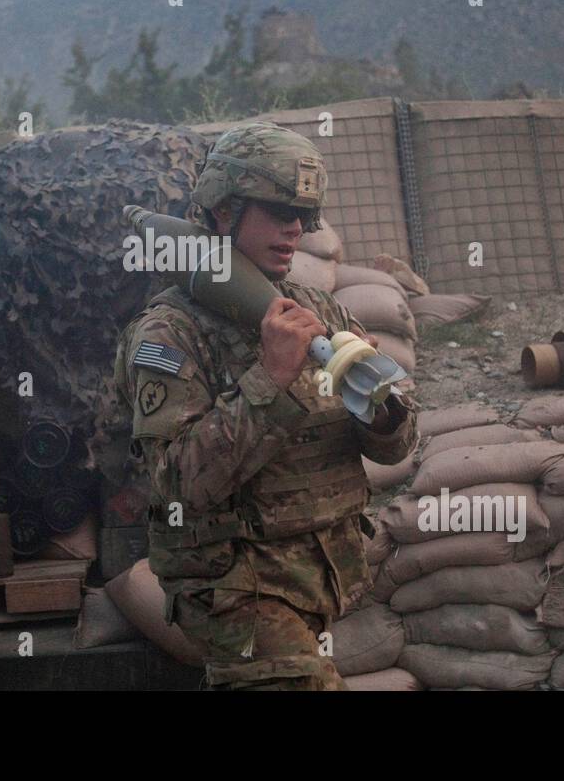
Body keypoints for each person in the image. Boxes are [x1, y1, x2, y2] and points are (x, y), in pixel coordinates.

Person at [114, 123, 418, 690]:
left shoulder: (319, 307)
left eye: (303, 214)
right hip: (235, 589)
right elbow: (179, 483)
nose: (295, 228)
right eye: (278, 211)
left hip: (321, 574)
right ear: (225, 211)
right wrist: (272, 378)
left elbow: (395, 444)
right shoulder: (169, 333)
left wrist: (380, 405)